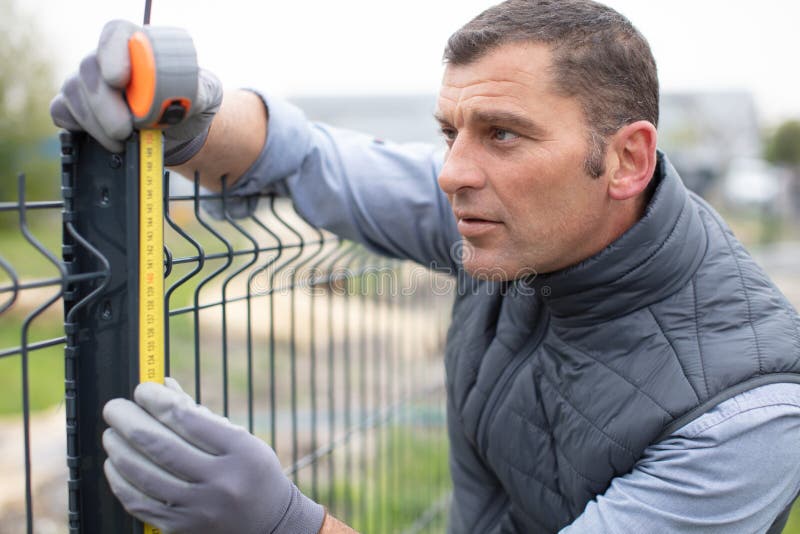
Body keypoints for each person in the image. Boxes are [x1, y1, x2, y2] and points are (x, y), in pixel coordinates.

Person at [51, 1, 800, 533]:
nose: (451, 173)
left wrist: (284, 524)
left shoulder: (745, 419)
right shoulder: (513, 225)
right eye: (450, 132)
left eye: (502, 134)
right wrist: (186, 108)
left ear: (627, 159)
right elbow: (303, 157)